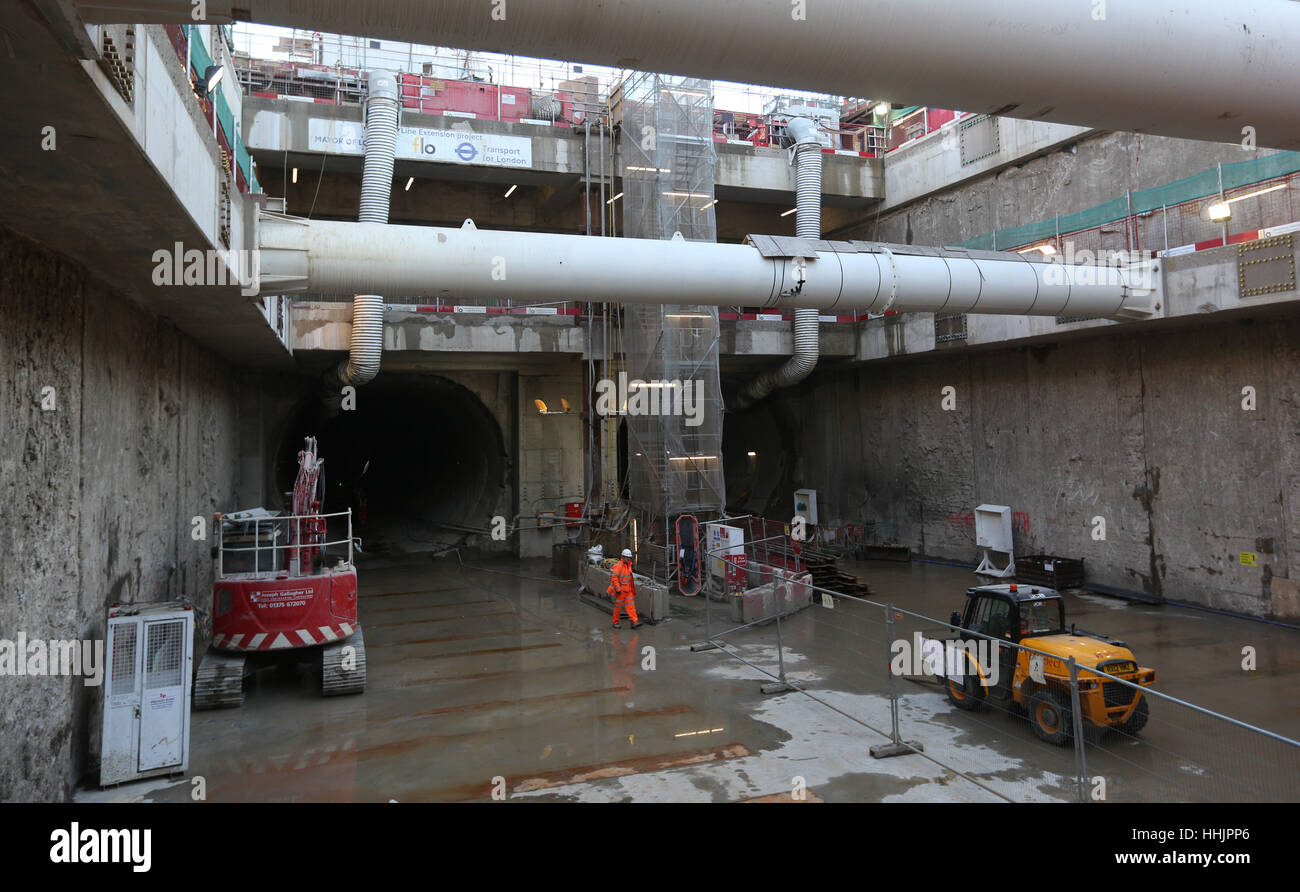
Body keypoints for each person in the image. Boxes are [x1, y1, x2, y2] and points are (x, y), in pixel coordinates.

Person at [608, 548, 643, 629]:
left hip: (628, 590)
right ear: (622, 557)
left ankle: (634, 622)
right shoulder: (618, 566)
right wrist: (618, 590)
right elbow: (614, 579)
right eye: (626, 557)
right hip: (621, 591)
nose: (628, 559)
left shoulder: (628, 565)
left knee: (631, 607)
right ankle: (615, 623)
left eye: (629, 557)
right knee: (618, 608)